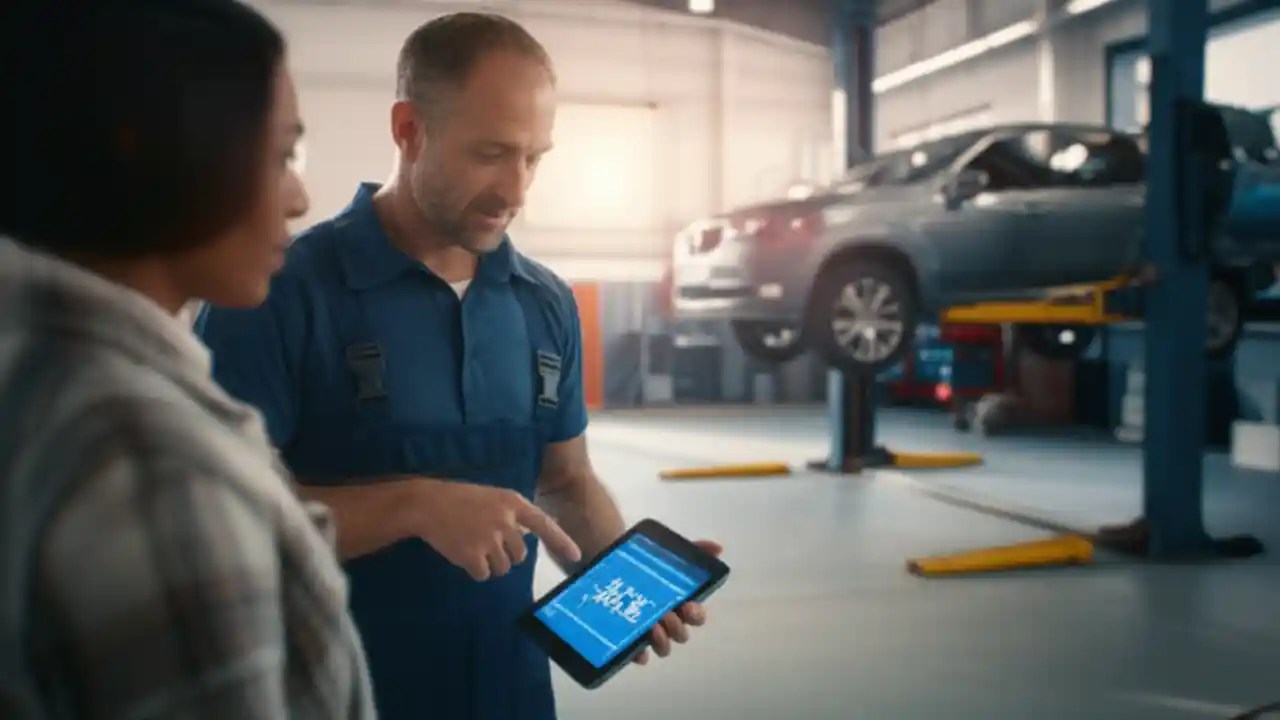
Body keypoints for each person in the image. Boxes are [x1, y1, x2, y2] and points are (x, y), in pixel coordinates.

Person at [197, 12, 722, 720]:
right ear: (408, 129)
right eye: (490, 153)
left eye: (535, 157)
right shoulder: (278, 291)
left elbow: (565, 478)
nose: (517, 189)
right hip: (336, 696)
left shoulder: (544, 303)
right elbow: (218, 523)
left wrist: (620, 578)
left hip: (510, 694)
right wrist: (411, 505)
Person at [0, 2, 375, 718]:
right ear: (154, 148)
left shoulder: (35, 363)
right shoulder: (152, 465)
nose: (298, 197)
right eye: (280, 155)